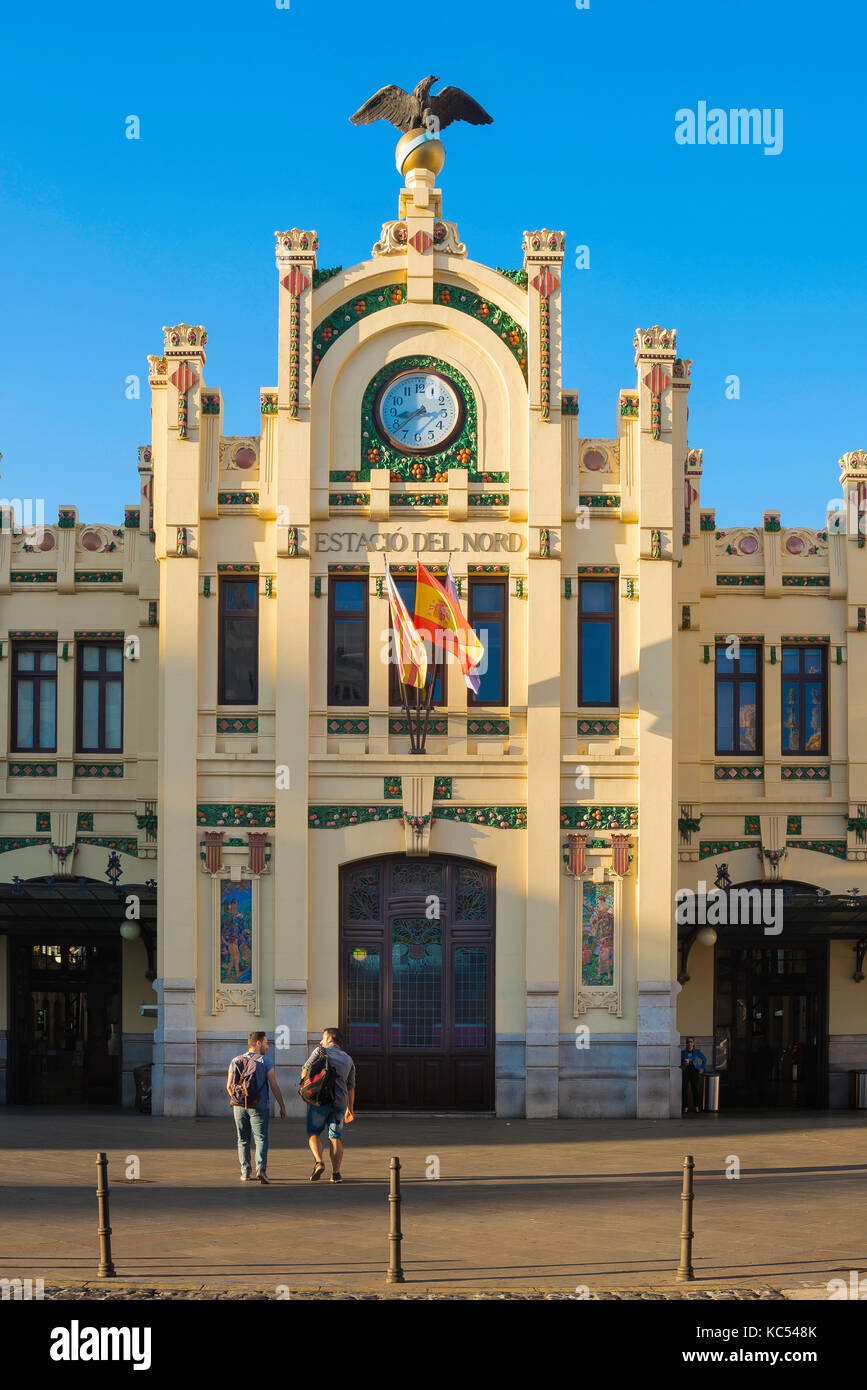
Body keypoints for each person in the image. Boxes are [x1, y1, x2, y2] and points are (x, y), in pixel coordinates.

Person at [227, 1030, 287, 1183]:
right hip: (259, 1105)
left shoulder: (235, 1060)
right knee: (261, 1139)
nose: (267, 1046)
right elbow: (274, 1085)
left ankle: (245, 1172)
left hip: (239, 1106)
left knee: (242, 1139)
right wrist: (282, 1106)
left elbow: (229, 1086)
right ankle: (261, 1170)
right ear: (258, 1043)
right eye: (266, 1043)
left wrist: (239, 1099)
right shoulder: (265, 1061)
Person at [300, 1027, 356, 1182]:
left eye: (323, 1038)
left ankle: (319, 1162)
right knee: (335, 1137)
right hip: (339, 1103)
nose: (320, 1041)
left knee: (313, 1133)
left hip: (319, 1100)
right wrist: (350, 1109)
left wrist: (304, 1090)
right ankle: (336, 1174)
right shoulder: (348, 1059)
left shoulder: (320, 1052)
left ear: (330, 1039)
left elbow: (305, 1070)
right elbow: (351, 1087)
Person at [681, 1036, 706, 1114]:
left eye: (691, 1042)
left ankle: (696, 1106)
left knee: (695, 1089)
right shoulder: (683, 1052)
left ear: (693, 1043)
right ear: (686, 1043)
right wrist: (683, 1064)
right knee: (684, 1089)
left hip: (695, 1071)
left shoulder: (697, 1051)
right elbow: (679, 1062)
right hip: (686, 1071)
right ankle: (685, 1107)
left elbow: (704, 1059)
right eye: (688, 1042)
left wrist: (702, 1068)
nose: (689, 1043)